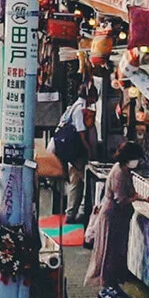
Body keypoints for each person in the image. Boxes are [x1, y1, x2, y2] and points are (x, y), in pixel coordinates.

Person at [86, 141, 145, 298]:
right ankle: (106, 286)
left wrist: (142, 197)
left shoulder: (126, 171)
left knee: (117, 251)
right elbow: (121, 198)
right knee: (110, 252)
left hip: (120, 218)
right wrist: (135, 198)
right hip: (112, 217)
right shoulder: (118, 172)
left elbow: (129, 193)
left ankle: (112, 284)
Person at [53, 87, 95, 221]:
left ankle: (72, 213)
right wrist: (89, 150)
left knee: (75, 181)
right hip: (76, 152)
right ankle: (78, 212)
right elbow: (81, 133)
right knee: (80, 179)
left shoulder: (75, 106)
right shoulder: (79, 109)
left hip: (72, 151)